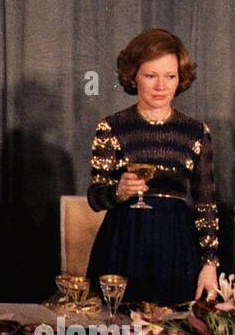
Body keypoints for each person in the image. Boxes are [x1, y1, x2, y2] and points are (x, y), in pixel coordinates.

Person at [86, 30, 219, 306]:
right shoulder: (110, 127)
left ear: (180, 78)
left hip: (176, 246)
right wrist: (119, 192)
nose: (161, 86)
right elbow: (95, 198)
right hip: (123, 242)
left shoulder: (196, 132)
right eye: (150, 76)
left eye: (170, 76)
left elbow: (206, 203)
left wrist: (210, 264)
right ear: (133, 76)